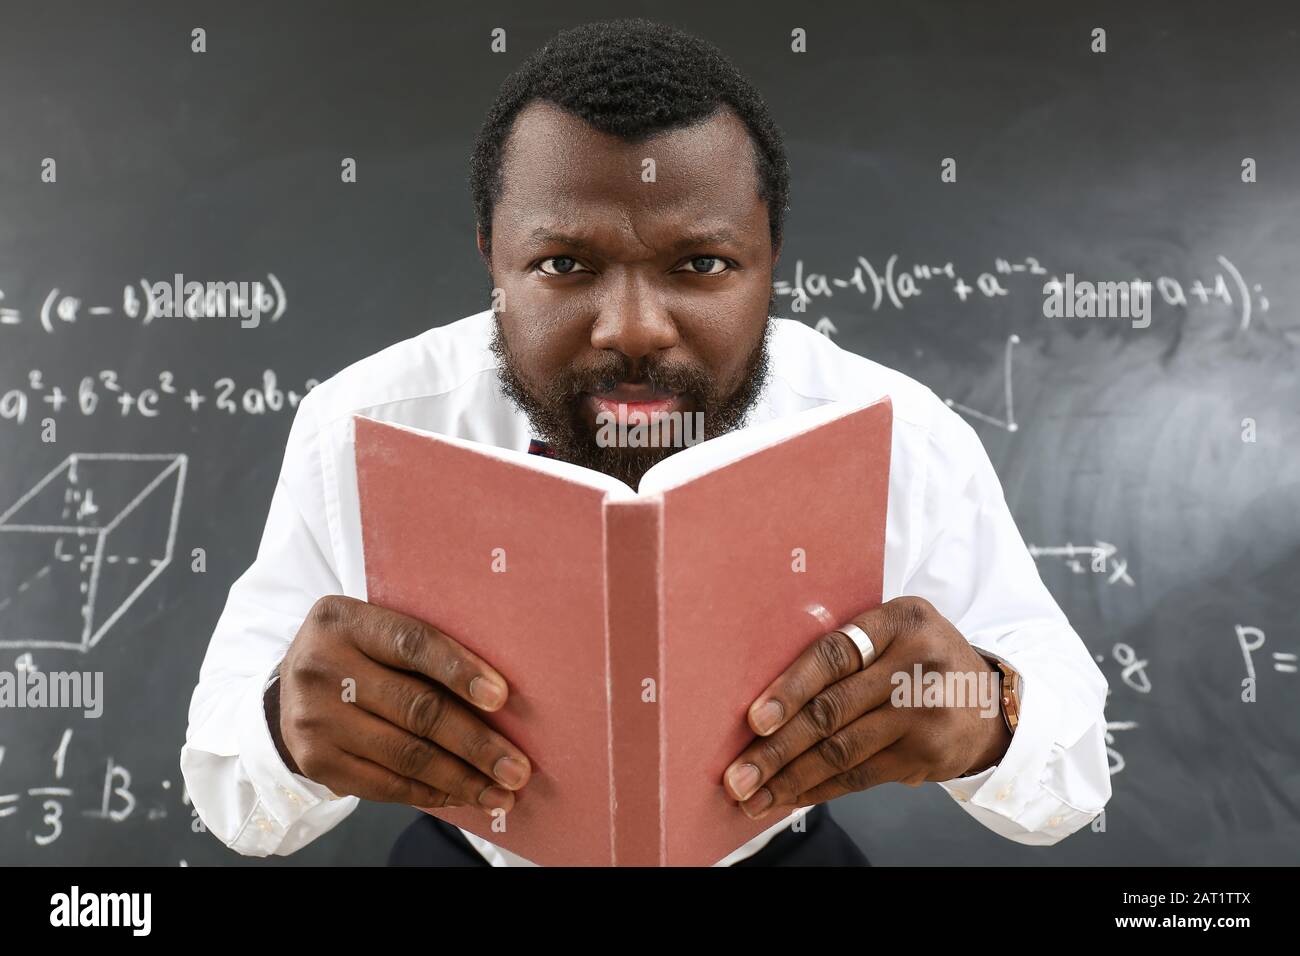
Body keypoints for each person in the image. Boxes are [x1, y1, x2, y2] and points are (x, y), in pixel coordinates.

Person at [180, 17, 1110, 866]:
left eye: (701, 264)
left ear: (770, 259)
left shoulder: (896, 433)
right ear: (488, 257)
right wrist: (279, 726)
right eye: (563, 265)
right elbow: (229, 792)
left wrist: (992, 712)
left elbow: (1071, 781)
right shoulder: (363, 426)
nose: (631, 330)